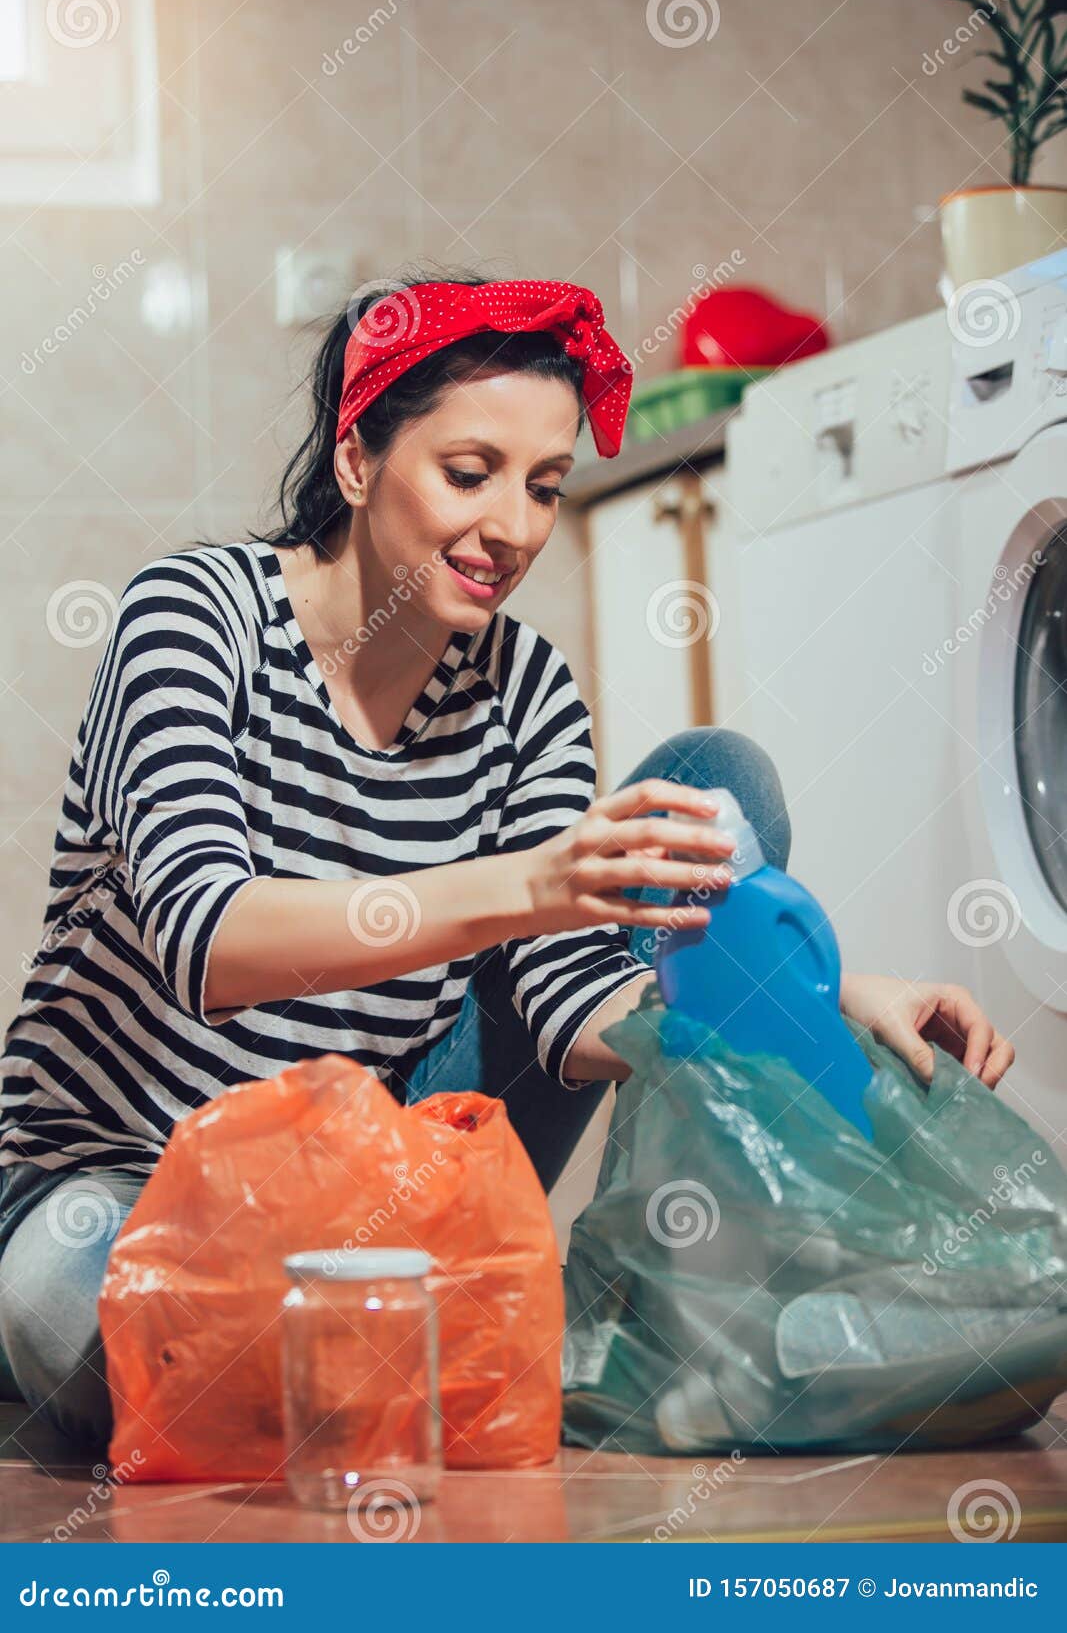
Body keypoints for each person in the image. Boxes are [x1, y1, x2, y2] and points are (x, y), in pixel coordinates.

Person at [0, 269, 1015, 1451]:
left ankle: (424, 1339)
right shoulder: (194, 616)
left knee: (711, 779)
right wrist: (531, 884)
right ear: (355, 459)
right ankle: (499, 1343)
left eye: (544, 486)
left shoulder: (524, 691)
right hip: (135, 1177)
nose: (515, 530)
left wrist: (827, 995)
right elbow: (206, 939)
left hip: (373, 1188)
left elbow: (572, 999)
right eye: (468, 473)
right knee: (62, 1302)